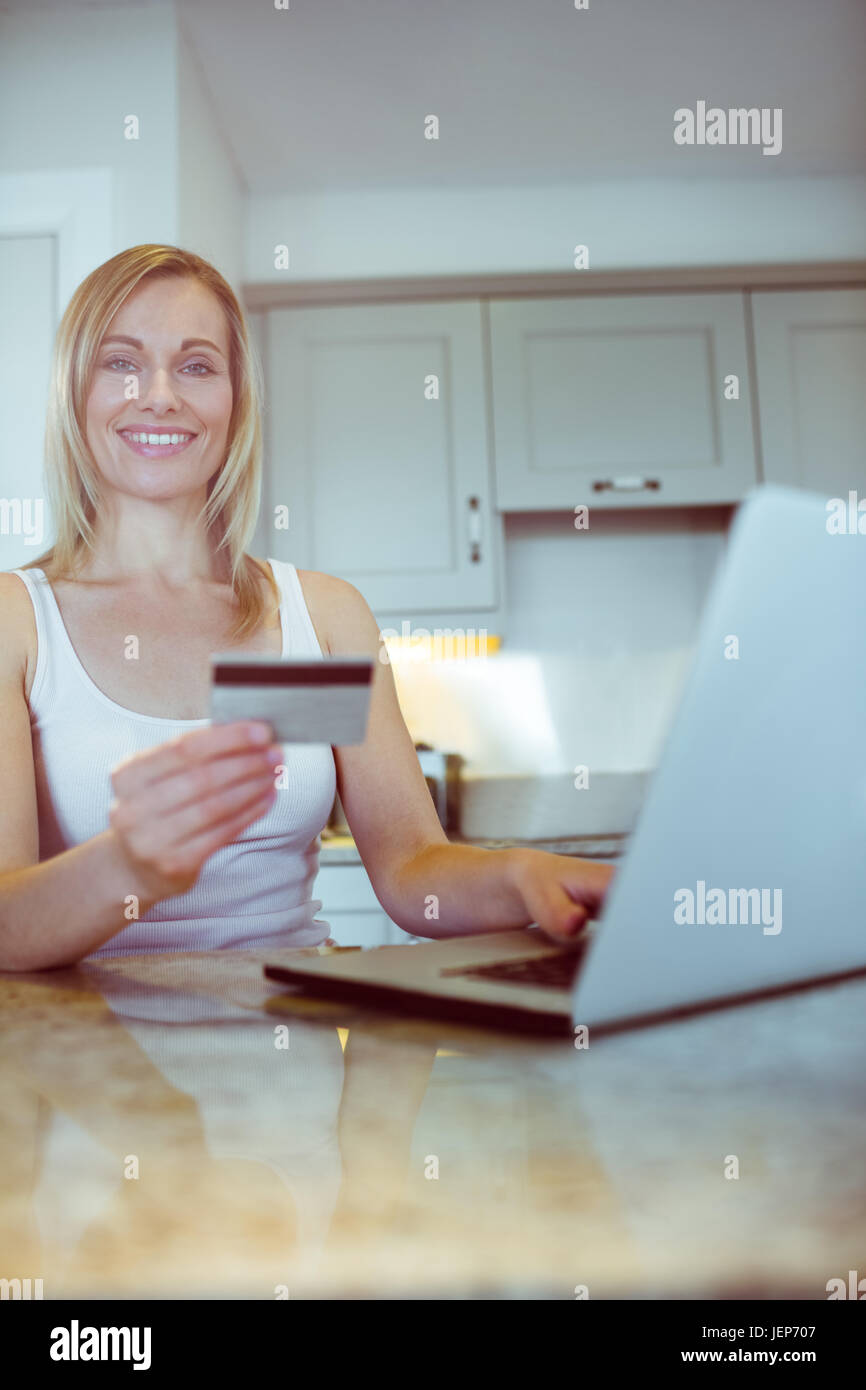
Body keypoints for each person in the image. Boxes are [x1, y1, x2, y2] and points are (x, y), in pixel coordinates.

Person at [0, 245, 613, 971]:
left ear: (235, 400)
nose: (159, 394)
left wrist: (518, 873)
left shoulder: (314, 619)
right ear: (75, 392)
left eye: (197, 365)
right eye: (121, 362)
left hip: (299, 1052)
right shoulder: (19, 623)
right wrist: (129, 866)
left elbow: (411, 869)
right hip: (88, 1067)